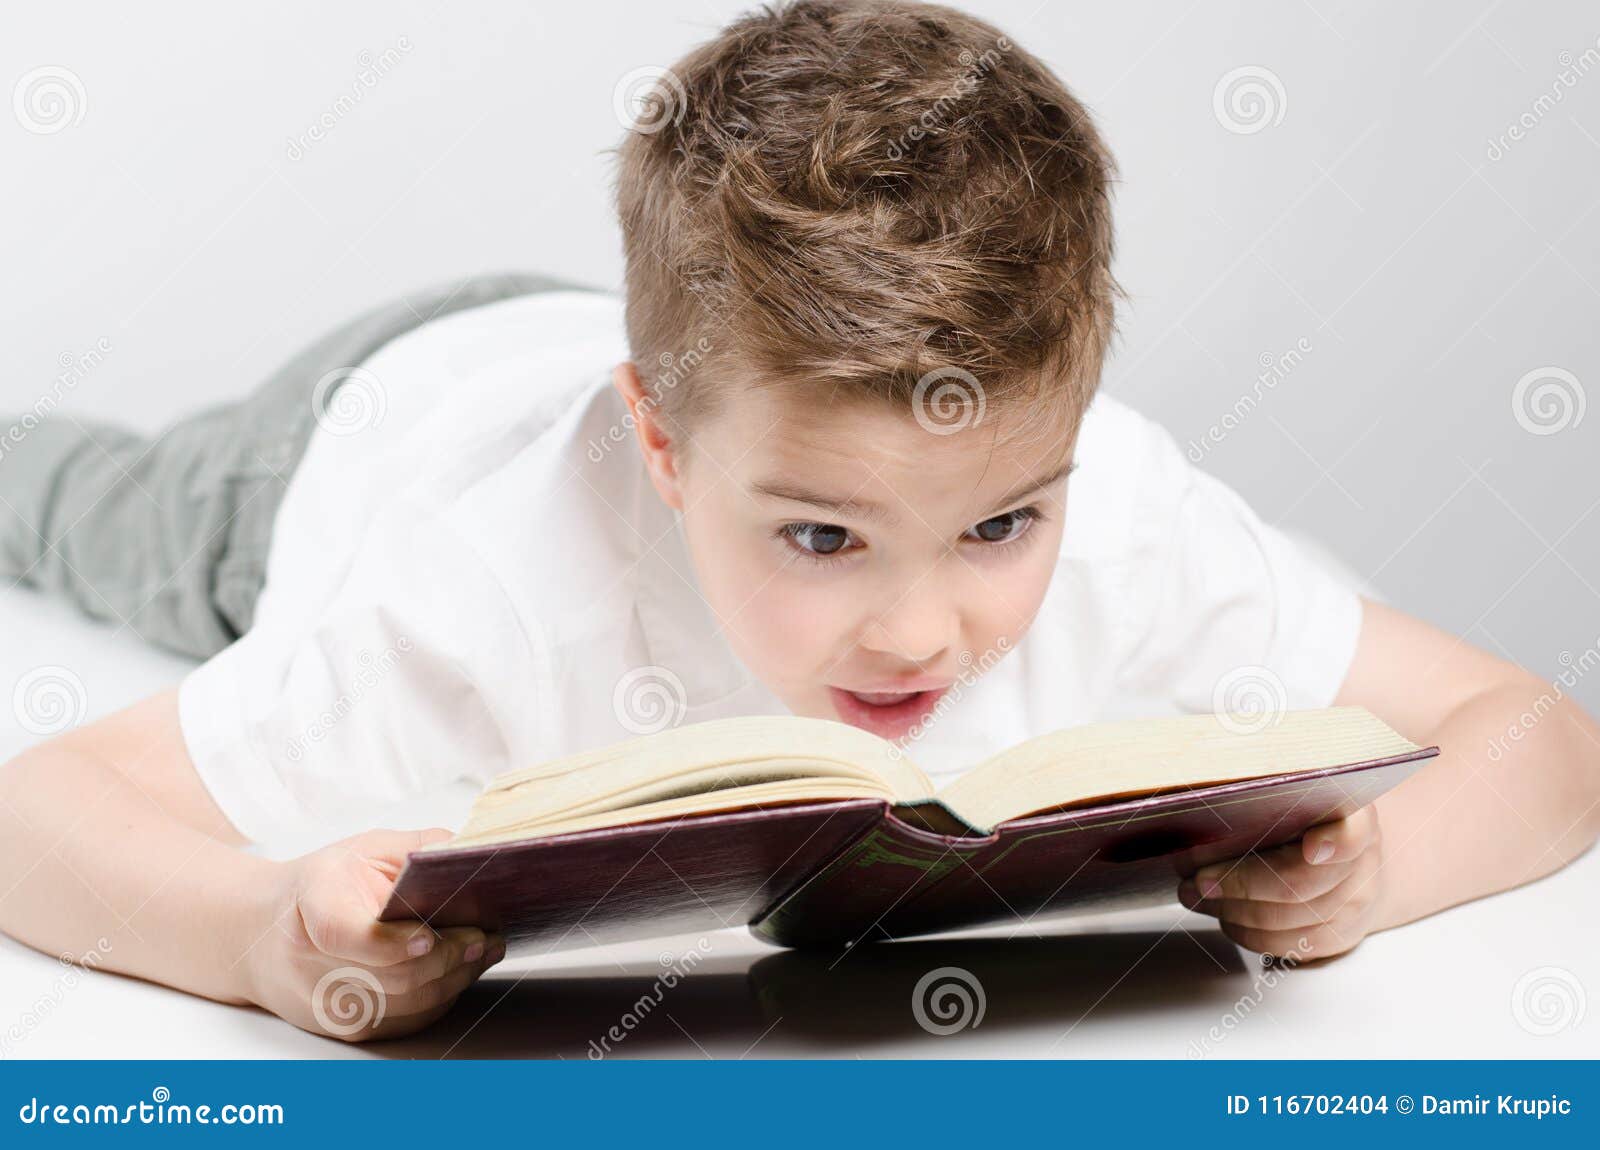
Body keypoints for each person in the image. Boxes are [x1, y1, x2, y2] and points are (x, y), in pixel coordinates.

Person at [2, 0, 1596, 1041]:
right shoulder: (475, 586)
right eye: (824, 540)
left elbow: (1537, 733)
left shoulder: (1116, 496)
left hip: (659, 352)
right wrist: (261, 930)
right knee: (74, 503)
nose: (920, 631)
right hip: (362, 414)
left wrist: (1386, 872)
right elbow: (37, 814)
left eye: (999, 527)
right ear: (665, 451)